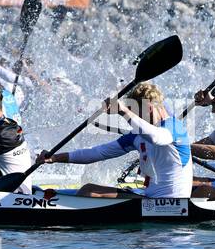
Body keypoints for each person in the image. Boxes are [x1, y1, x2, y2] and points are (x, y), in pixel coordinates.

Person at [38, 81, 191, 198]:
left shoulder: (174, 127)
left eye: (137, 113)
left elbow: (157, 137)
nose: (135, 118)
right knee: (89, 189)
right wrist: (55, 158)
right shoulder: (136, 135)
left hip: (172, 203)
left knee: (88, 191)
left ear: (148, 108)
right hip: (149, 198)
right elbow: (98, 152)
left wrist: (123, 111)